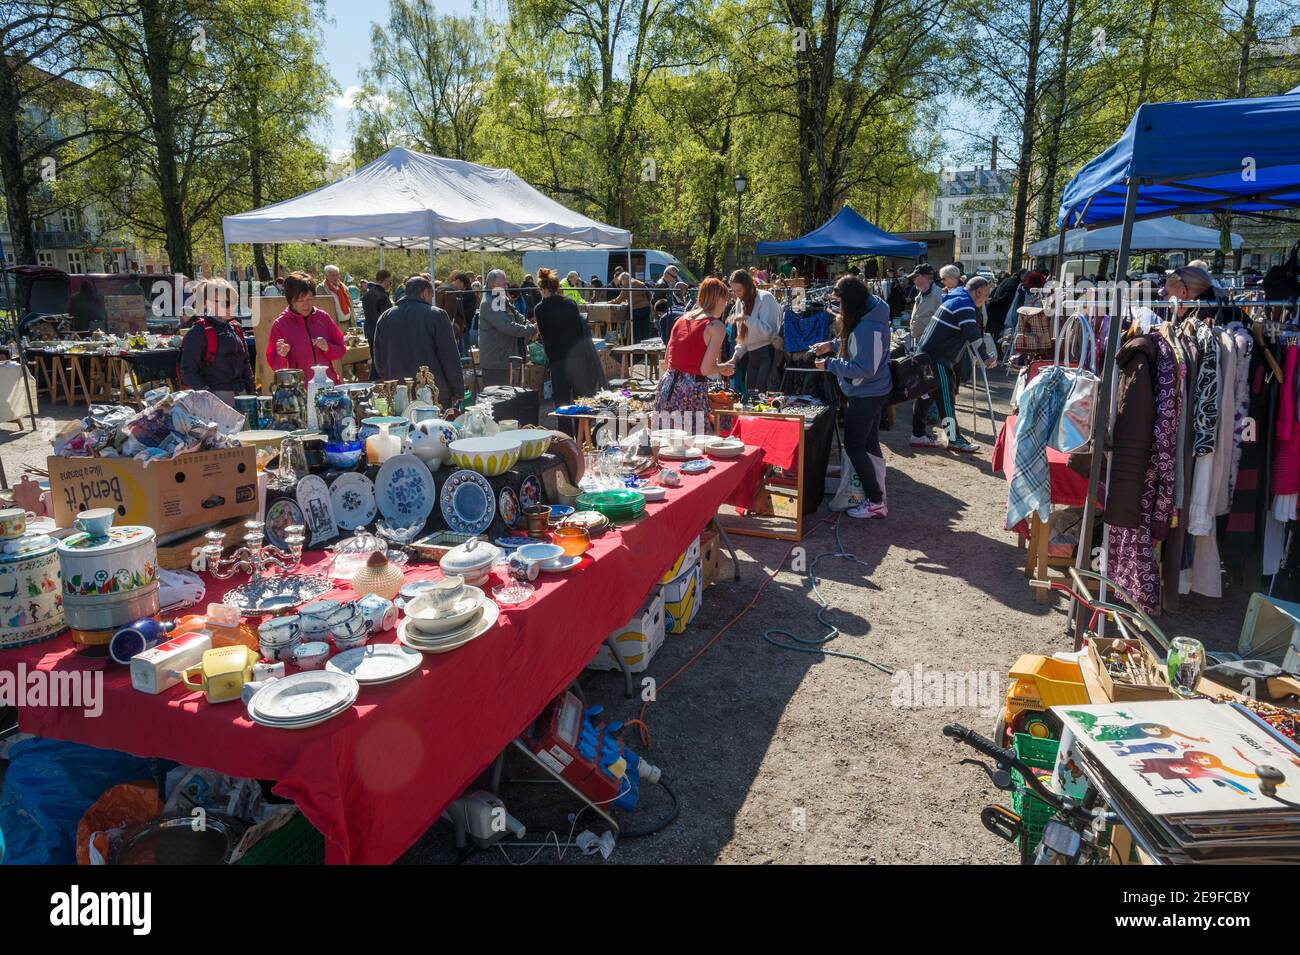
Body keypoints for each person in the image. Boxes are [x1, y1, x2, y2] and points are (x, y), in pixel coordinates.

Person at [811, 275, 892, 519]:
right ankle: (877, 494)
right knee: (869, 443)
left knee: (855, 446)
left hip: (867, 393)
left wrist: (830, 364)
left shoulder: (868, 325)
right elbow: (856, 343)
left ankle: (875, 501)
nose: (839, 307)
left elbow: (864, 368)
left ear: (851, 300)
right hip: (873, 391)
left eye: (840, 302)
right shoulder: (871, 312)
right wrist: (832, 344)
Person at [910, 276, 996, 453]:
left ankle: (918, 435)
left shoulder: (957, 297)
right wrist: (985, 358)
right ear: (978, 292)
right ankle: (954, 439)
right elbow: (972, 334)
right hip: (937, 359)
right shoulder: (965, 304)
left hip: (927, 355)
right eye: (986, 294)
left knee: (925, 395)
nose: (987, 299)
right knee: (945, 399)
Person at [372, 275, 464, 405]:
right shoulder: (436, 315)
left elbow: (379, 359)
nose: (431, 301)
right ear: (425, 293)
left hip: (398, 392)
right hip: (432, 393)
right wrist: (458, 391)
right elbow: (449, 356)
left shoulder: (385, 317)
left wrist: (390, 381)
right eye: (431, 296)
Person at [652, 276, 728, 425]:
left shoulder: (682, 319)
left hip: (667, 387)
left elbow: (667, 360)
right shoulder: (716, 327)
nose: (725, 305)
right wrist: (722, 367)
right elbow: (706, 369)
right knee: (695, 437)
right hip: (690, 392)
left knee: (665, 436)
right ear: (719, 299)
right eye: (725, 300)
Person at [179, 277, 254, 405]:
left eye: (235, 302)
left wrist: (253, 393)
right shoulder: (198, 332)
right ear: (208, 303)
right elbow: (188, 371)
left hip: (242, 396)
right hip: (217, 398)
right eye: (227, 303)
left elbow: (245, 363)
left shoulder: (236, 328)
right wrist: (209, 397)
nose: (232, 307)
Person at [266, 271, 347, 384]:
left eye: (309, 299)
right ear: (290, 300)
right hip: (300, 389)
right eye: (300, 300)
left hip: (328, 385)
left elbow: (341, 350)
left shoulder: (323, 317)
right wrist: (281, 355)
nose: (306, 305)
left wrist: (328, 347)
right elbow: (276, 367)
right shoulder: (280, 324)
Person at [535, 267, 598, 404]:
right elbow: (578, 329)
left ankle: (563, 419)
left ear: (543, 289)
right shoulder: (570, 303)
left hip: (557, 358)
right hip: (577, 356)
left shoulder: (540, 309)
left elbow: (544, 336)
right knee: (580, 400)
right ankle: (581, 419)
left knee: (562, 400)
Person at [717, 268, 781, 394]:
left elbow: (769, 332)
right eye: (733, 291)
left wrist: (746, 319)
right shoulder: (740, 302)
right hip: (752, 358)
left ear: (747, 287)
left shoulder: (765, 298)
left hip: (767, 355)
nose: (736, 294)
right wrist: (734, 359)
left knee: (763, 397)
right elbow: (743, 340)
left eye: (739, 290)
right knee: (750, 397)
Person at [478, 269, 535, 387]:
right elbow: (507, 326)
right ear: (493, 285)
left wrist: (529, 324)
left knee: (506, 393)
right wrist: (531, 329)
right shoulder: (489, 303)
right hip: (495, 362)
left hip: (503, 358)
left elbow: (516, 315)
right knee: (496, 395)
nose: (506, 286)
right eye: (503, 284)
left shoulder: (500, 298)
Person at [609, 271, 653, 343]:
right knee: (645, 329)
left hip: (637, 309)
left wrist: (610, 302)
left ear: (624, 279)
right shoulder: (639, 282)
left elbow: (619, 300)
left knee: (637, 331)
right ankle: (646, 346)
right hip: (646, 307)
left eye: (621, 282)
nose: (621, 284)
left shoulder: (627, 285)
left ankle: (638, 346)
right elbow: (648, 294)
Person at [908, 264, 943, 342]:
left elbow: (942, 324)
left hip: (931, 343)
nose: (913, 281)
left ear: (924, 277)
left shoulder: (939, 295)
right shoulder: (920, 295)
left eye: (915, 277)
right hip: (919, 342)